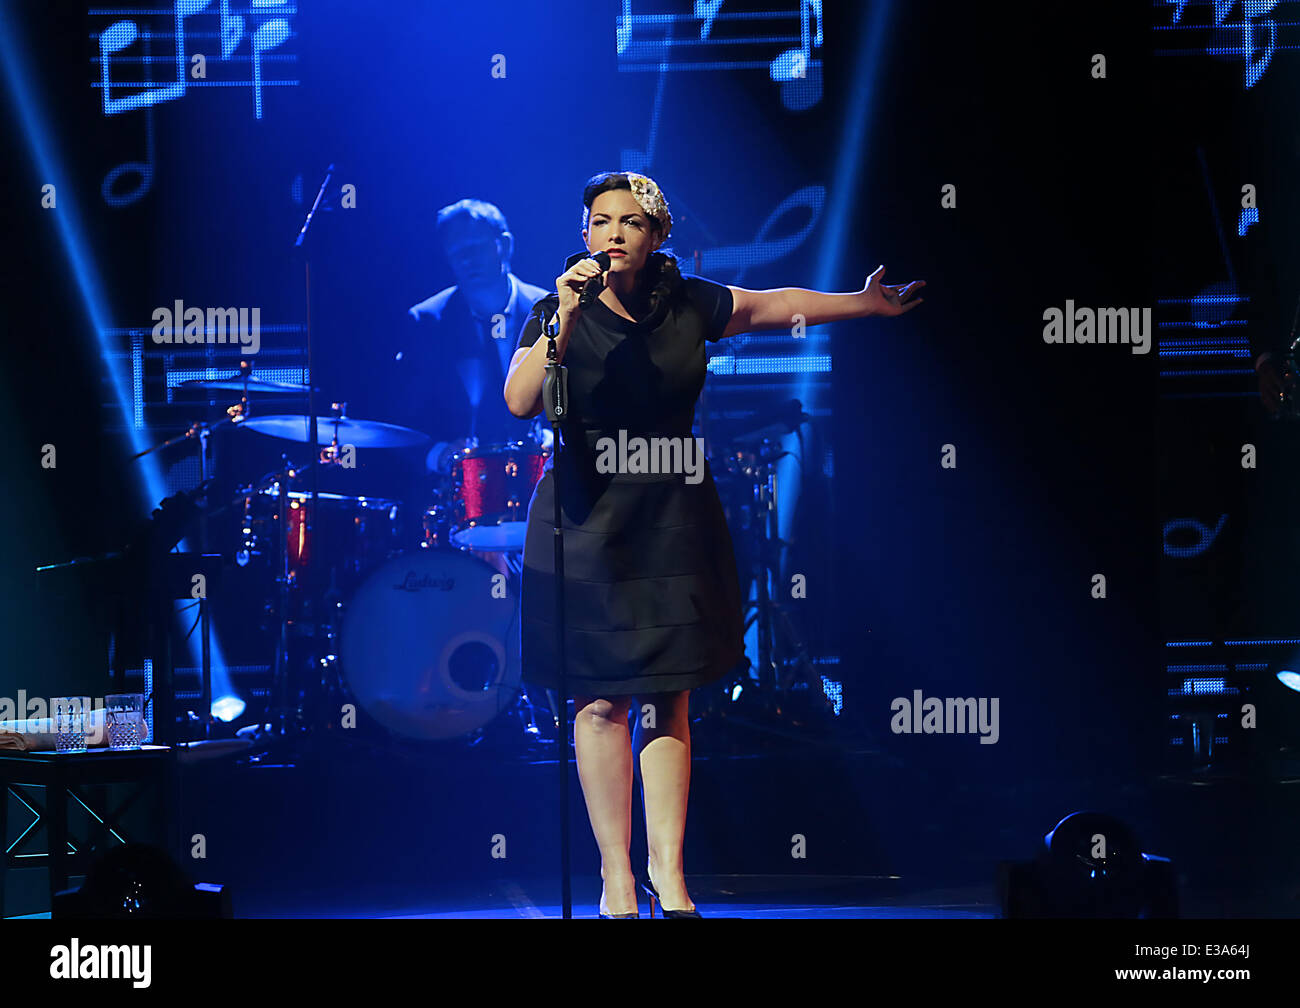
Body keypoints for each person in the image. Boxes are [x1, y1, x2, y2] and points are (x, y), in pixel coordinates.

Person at [504, 171, 924, 918]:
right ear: (584, 233)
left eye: (631, 221)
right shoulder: (554, 307)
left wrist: (861, 303)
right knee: (601, 701)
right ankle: (616, 878)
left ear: (658, 235)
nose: (613, 234)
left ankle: (670, 874)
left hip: (670, 506)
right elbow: (521, 399)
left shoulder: (688, 302)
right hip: (586, 512)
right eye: (600, 220)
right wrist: (565, 315)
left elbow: (775, 305)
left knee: (669, 696)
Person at [398, 199, 550, 459]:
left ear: (505, 245)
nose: (467, 260)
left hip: (541, 476)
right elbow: (406, 414)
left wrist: (552, 436)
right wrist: (438, 453)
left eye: (476, 248)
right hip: (459, 486)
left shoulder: (550, 311)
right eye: (457, 252)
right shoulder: (426, 320)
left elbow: (578, 397)